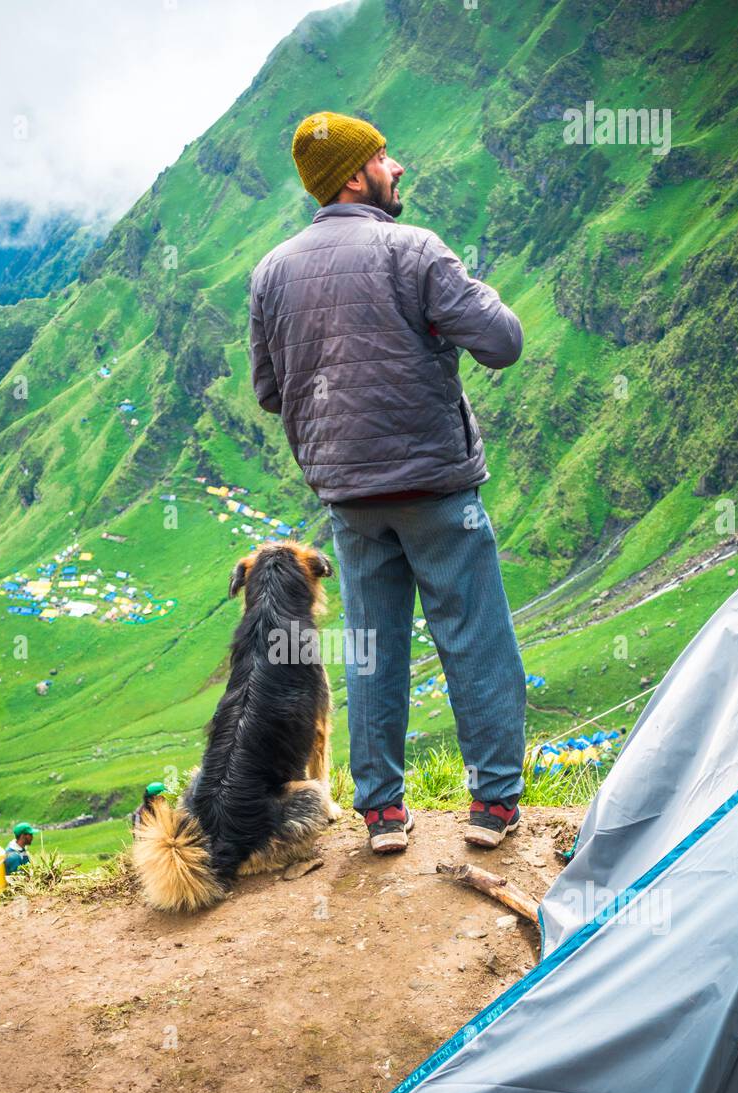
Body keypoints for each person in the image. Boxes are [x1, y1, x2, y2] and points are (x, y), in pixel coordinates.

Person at [249, 111, 526, 854]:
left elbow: (272, 391)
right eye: (381, 157)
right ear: (353, 176)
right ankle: (493, 805)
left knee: (371, 648)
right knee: (474, 638)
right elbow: (503, 342)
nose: (396, 166)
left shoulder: (271, 272)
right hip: (436, 486)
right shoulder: (416, 250)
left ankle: (382, 815)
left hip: (348, 497)